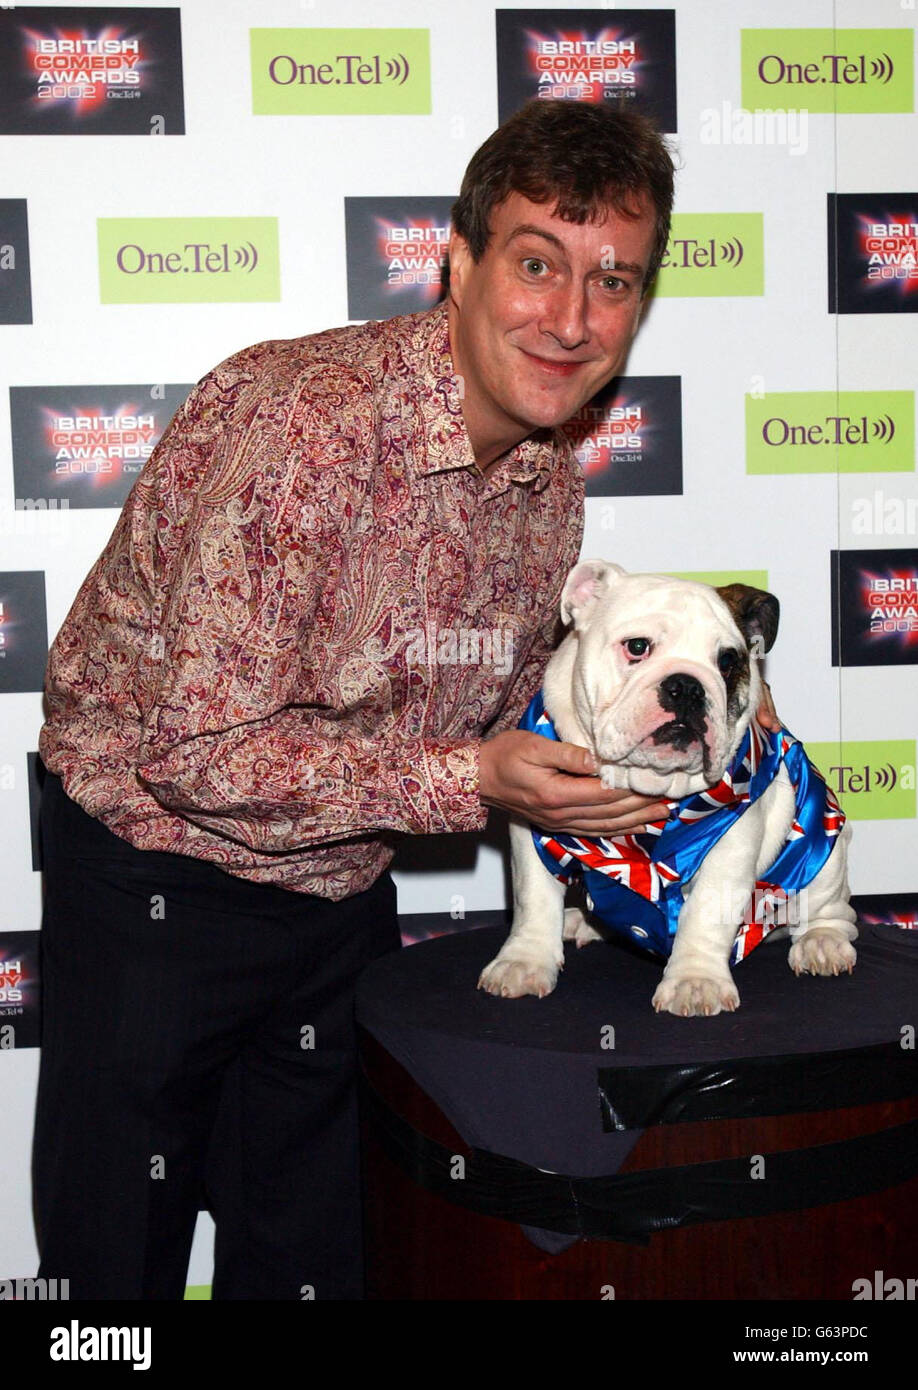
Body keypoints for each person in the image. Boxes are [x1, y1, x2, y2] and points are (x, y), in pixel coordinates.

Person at [33, 98, 774, 1300]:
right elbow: (196, 752)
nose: (573, 318)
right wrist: (476, 779)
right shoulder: (310, 429)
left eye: (613, 280)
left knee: (322, 1260)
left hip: (338, 888)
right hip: (153, 876)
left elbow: (497, 706)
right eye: (538, 263)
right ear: (461, 262)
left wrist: (717, 721)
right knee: (113, 1280)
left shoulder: (551, 494)